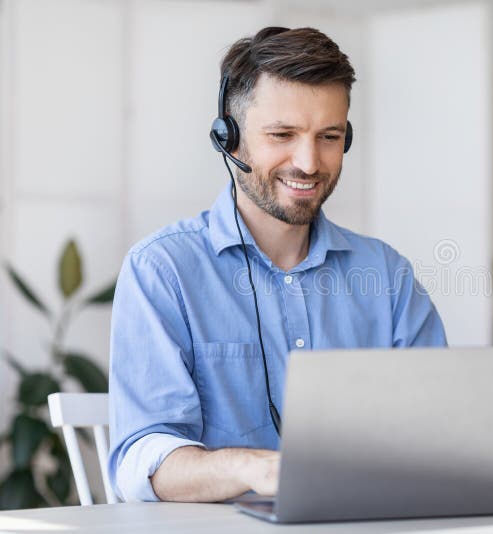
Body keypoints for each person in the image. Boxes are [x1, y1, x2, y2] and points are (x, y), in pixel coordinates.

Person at [107, 27, 447, 503]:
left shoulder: (387, 275)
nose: (308, 162)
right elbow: (143, 462)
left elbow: (443, 431)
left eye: (329, 136)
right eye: (282, 135)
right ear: (229, 138)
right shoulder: (163, 271)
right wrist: (254, 467)